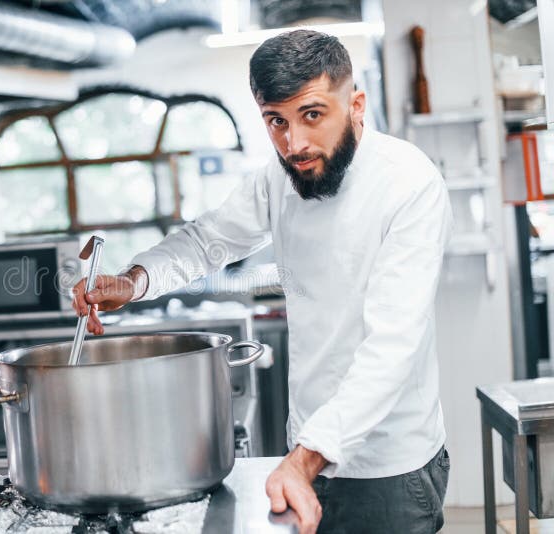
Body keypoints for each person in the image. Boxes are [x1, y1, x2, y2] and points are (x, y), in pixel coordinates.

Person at [71, 29, 452, 534]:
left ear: (355, 105)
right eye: (276, 121)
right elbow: (207, 240)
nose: (294, 143)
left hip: (389, 467)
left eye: (312, 115)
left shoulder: (409, 184)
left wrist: (305, 458)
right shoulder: (279, 178)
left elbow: (392, 347)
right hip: (308, 454)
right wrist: (133, 280)